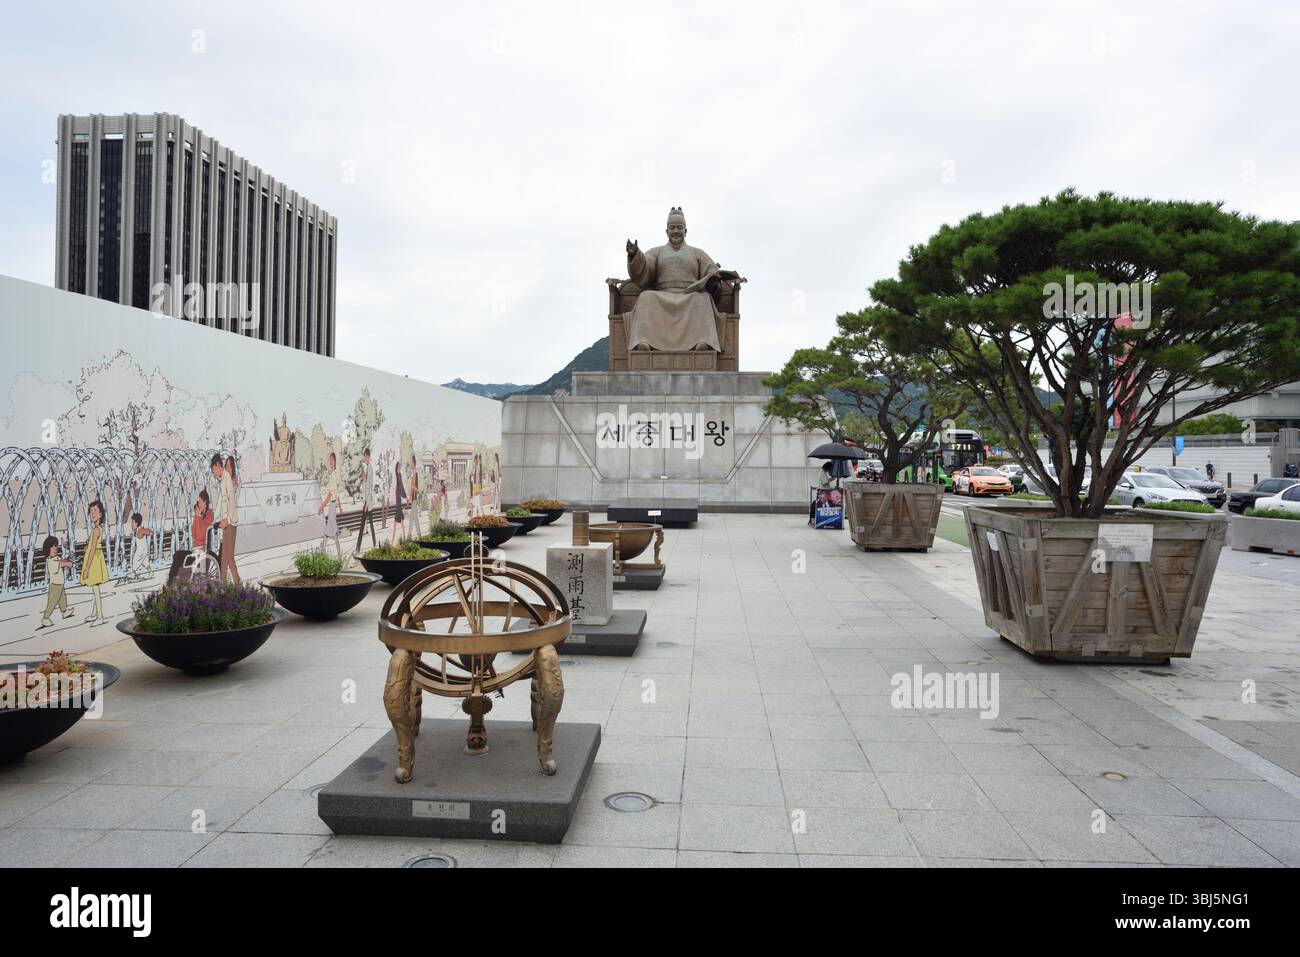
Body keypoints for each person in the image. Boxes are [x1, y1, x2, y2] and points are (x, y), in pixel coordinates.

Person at [170, 490, 214, 581]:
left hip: (201, 551)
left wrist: (198, 517)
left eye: (200, 501)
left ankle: (173, 582)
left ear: (205, 502)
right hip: (195, 550)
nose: (198, 503)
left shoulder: (209, 515)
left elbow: (200, 536)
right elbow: (193, 533)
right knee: (177, 555)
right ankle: (173, 581)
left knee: (179, 557)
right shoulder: (200, 515)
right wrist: (197, 517)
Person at [211, 454, 241, 584]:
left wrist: (226, 520)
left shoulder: (227, 478)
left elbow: (230, 502)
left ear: (218, 466)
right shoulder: (223, 480)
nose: (213, 473)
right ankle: (222, 585)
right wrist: (214, 518)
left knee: (229, 558)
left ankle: (238, 584)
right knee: (223, 558)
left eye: (213, 470)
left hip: (230, 523)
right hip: (226, 523)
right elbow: (220, 503)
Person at [81, 500, 110, 625]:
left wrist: (87, 568)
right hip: (96, 557)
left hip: (94, 560)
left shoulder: (96, 530)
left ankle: (100, 617)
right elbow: (91, 546)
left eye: (95, 511)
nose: (92, 513)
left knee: (95, 588)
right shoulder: (98, 528)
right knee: (95, 587)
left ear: (101, 514)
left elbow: (93, 548)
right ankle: (94, 614)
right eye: (91, 511)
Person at [37, 536, 75, 629]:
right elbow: (61, 564)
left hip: (60, 583)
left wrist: (68, 561)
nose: (55, 549)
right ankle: (45, 618)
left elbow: (62, 561)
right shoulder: (51, 561)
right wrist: (68, 563)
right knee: (52, 602)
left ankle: (65, 611)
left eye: (56, 546)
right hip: (55, 585)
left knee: (62, 598)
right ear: (47, 549)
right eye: (53, 547)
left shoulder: (57, 558)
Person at [318, 452, 342, 560]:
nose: (330, 462)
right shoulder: (335, 474)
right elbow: (336, 493)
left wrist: (322, 505)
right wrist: (339, 505)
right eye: (329, 460)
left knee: (332, 532)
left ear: (335, 461)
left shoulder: (333, 475)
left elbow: (331, 494)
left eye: (331, 460)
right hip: (333, 505)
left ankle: (337, 556)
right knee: (329, 532)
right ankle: (325, 553)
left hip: (332, 506)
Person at [354, 448, 378, 554]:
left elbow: (369, 486)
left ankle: (358, 548)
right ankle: (373, 544)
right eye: (365, 456)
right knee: (368, 525)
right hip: (366, 501)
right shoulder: (365, 467)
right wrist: (362, 478)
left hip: (368, 503)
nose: (366, 458)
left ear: (369, 457)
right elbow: (363, 483)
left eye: (367, 456)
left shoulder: (371, 469)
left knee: (365, 525)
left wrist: (367, 504)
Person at [120, 512, 153, 583]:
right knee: (145, 561)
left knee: (135, 560)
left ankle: (133, 573)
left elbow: (149, 532)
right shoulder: (138, 530)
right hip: (141, 549)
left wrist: (149, 532)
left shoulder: (140, 530)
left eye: (133, 522)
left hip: (141, 550)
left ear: (137, 523)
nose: (131, 524)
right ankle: (150, 572)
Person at [389, 461, 406, 545]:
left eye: (400, 466)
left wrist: (405, 496)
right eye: (398, 466)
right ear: (396, 467)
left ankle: (402, 537)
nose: (399, 467)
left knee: (400, 517)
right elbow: (394, 486)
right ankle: (399, 538)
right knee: (399, 517)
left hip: (399, 497)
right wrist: (393, 499)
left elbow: (402, 486)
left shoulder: (400, 475)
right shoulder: (395, 475)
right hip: (396, 497)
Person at [405, 461, 421, 539]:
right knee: (413, 518)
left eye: (411, 463)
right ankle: (417, 534)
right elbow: (412, 489)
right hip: (413, 500)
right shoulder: (413, 474)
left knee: (413, 518)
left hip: (415, 500)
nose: (410, 465)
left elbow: (417, 488)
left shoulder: (416, 474)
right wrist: (409, 499)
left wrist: (416, 489)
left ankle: (410, 535)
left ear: (414, 464)